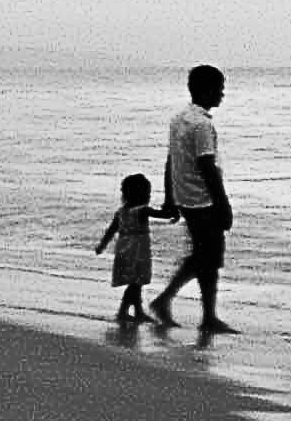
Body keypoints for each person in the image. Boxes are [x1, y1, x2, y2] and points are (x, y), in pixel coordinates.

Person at [146, 65, 231, 340]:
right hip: (203, 201)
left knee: (204, 257)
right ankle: (177, 304)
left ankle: (207, 315)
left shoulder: (179, 120)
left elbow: (171, 160)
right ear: (206, 91)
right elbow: (207, 167)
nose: (222, 94)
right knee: (208, 258)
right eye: (219, 89)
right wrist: (223, 204)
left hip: (186, 198)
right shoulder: (202, 125)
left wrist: (170, 197)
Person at [93, 173, 155, 328]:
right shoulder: (143, 210)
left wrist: (102, 245)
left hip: (123, 249)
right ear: (142, 194)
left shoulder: (121, 212)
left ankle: (138, 311)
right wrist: (174, 208)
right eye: (148, 193)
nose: (149, 196)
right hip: (138, 250)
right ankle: (124, 310)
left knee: (136, 282)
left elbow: (111, 230)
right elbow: (162, 214)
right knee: (136, 282)